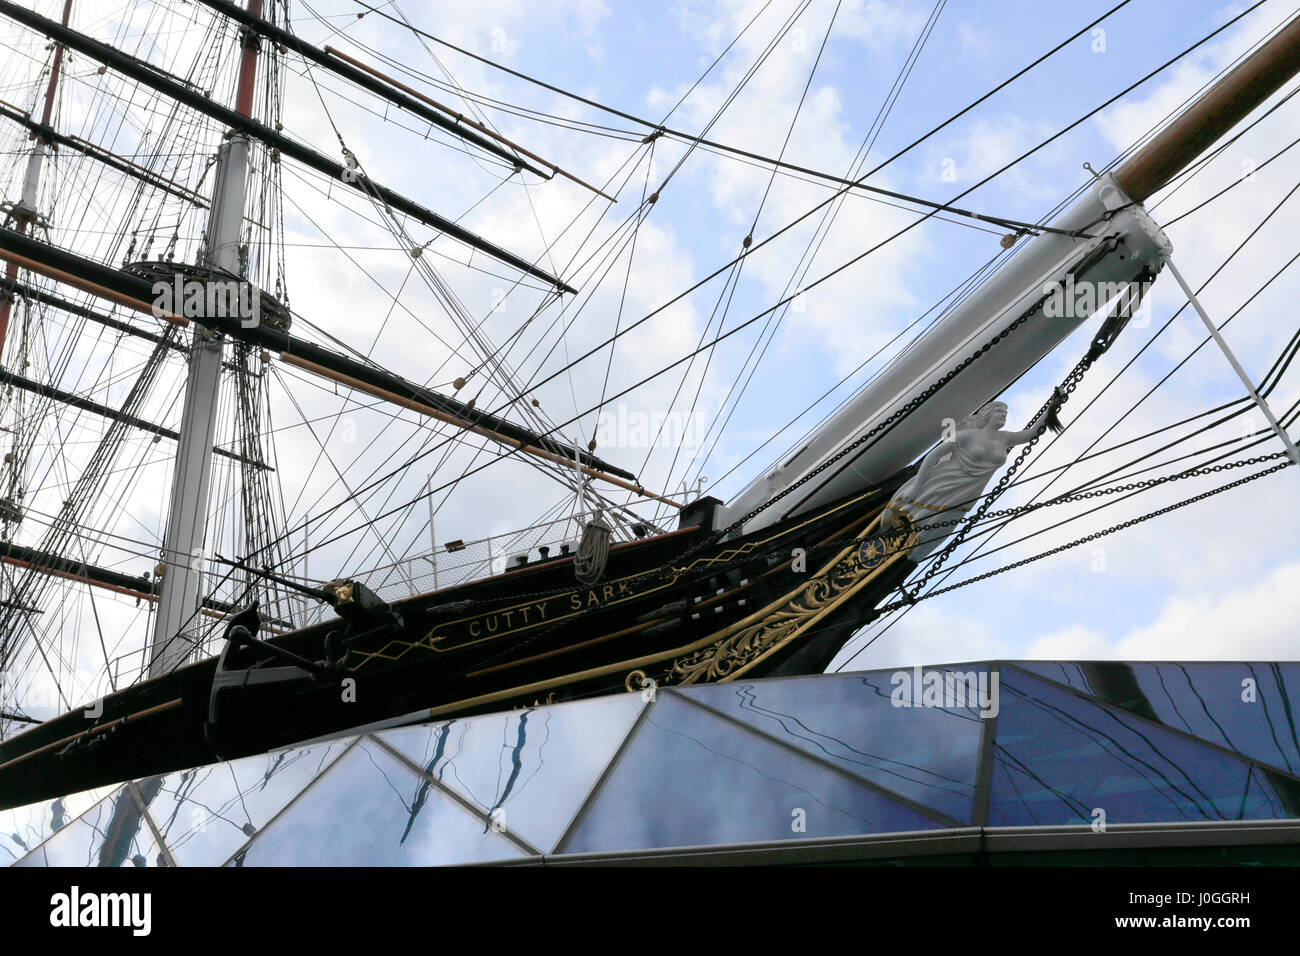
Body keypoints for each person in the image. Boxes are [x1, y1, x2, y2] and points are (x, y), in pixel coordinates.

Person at [879, 393, 1063, 562]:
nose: (1003, 417)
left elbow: (1030, 434)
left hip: (966, 493)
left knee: (939, 523)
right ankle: (893, 538)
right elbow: (933, 457)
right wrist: (917, 487)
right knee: (921, 512)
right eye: (999, 413)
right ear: (988, 415)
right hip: (942, 482)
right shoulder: (966, 435)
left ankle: (908, 552)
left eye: (1005, 415)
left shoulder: (1005, 438)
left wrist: (1050, 407)